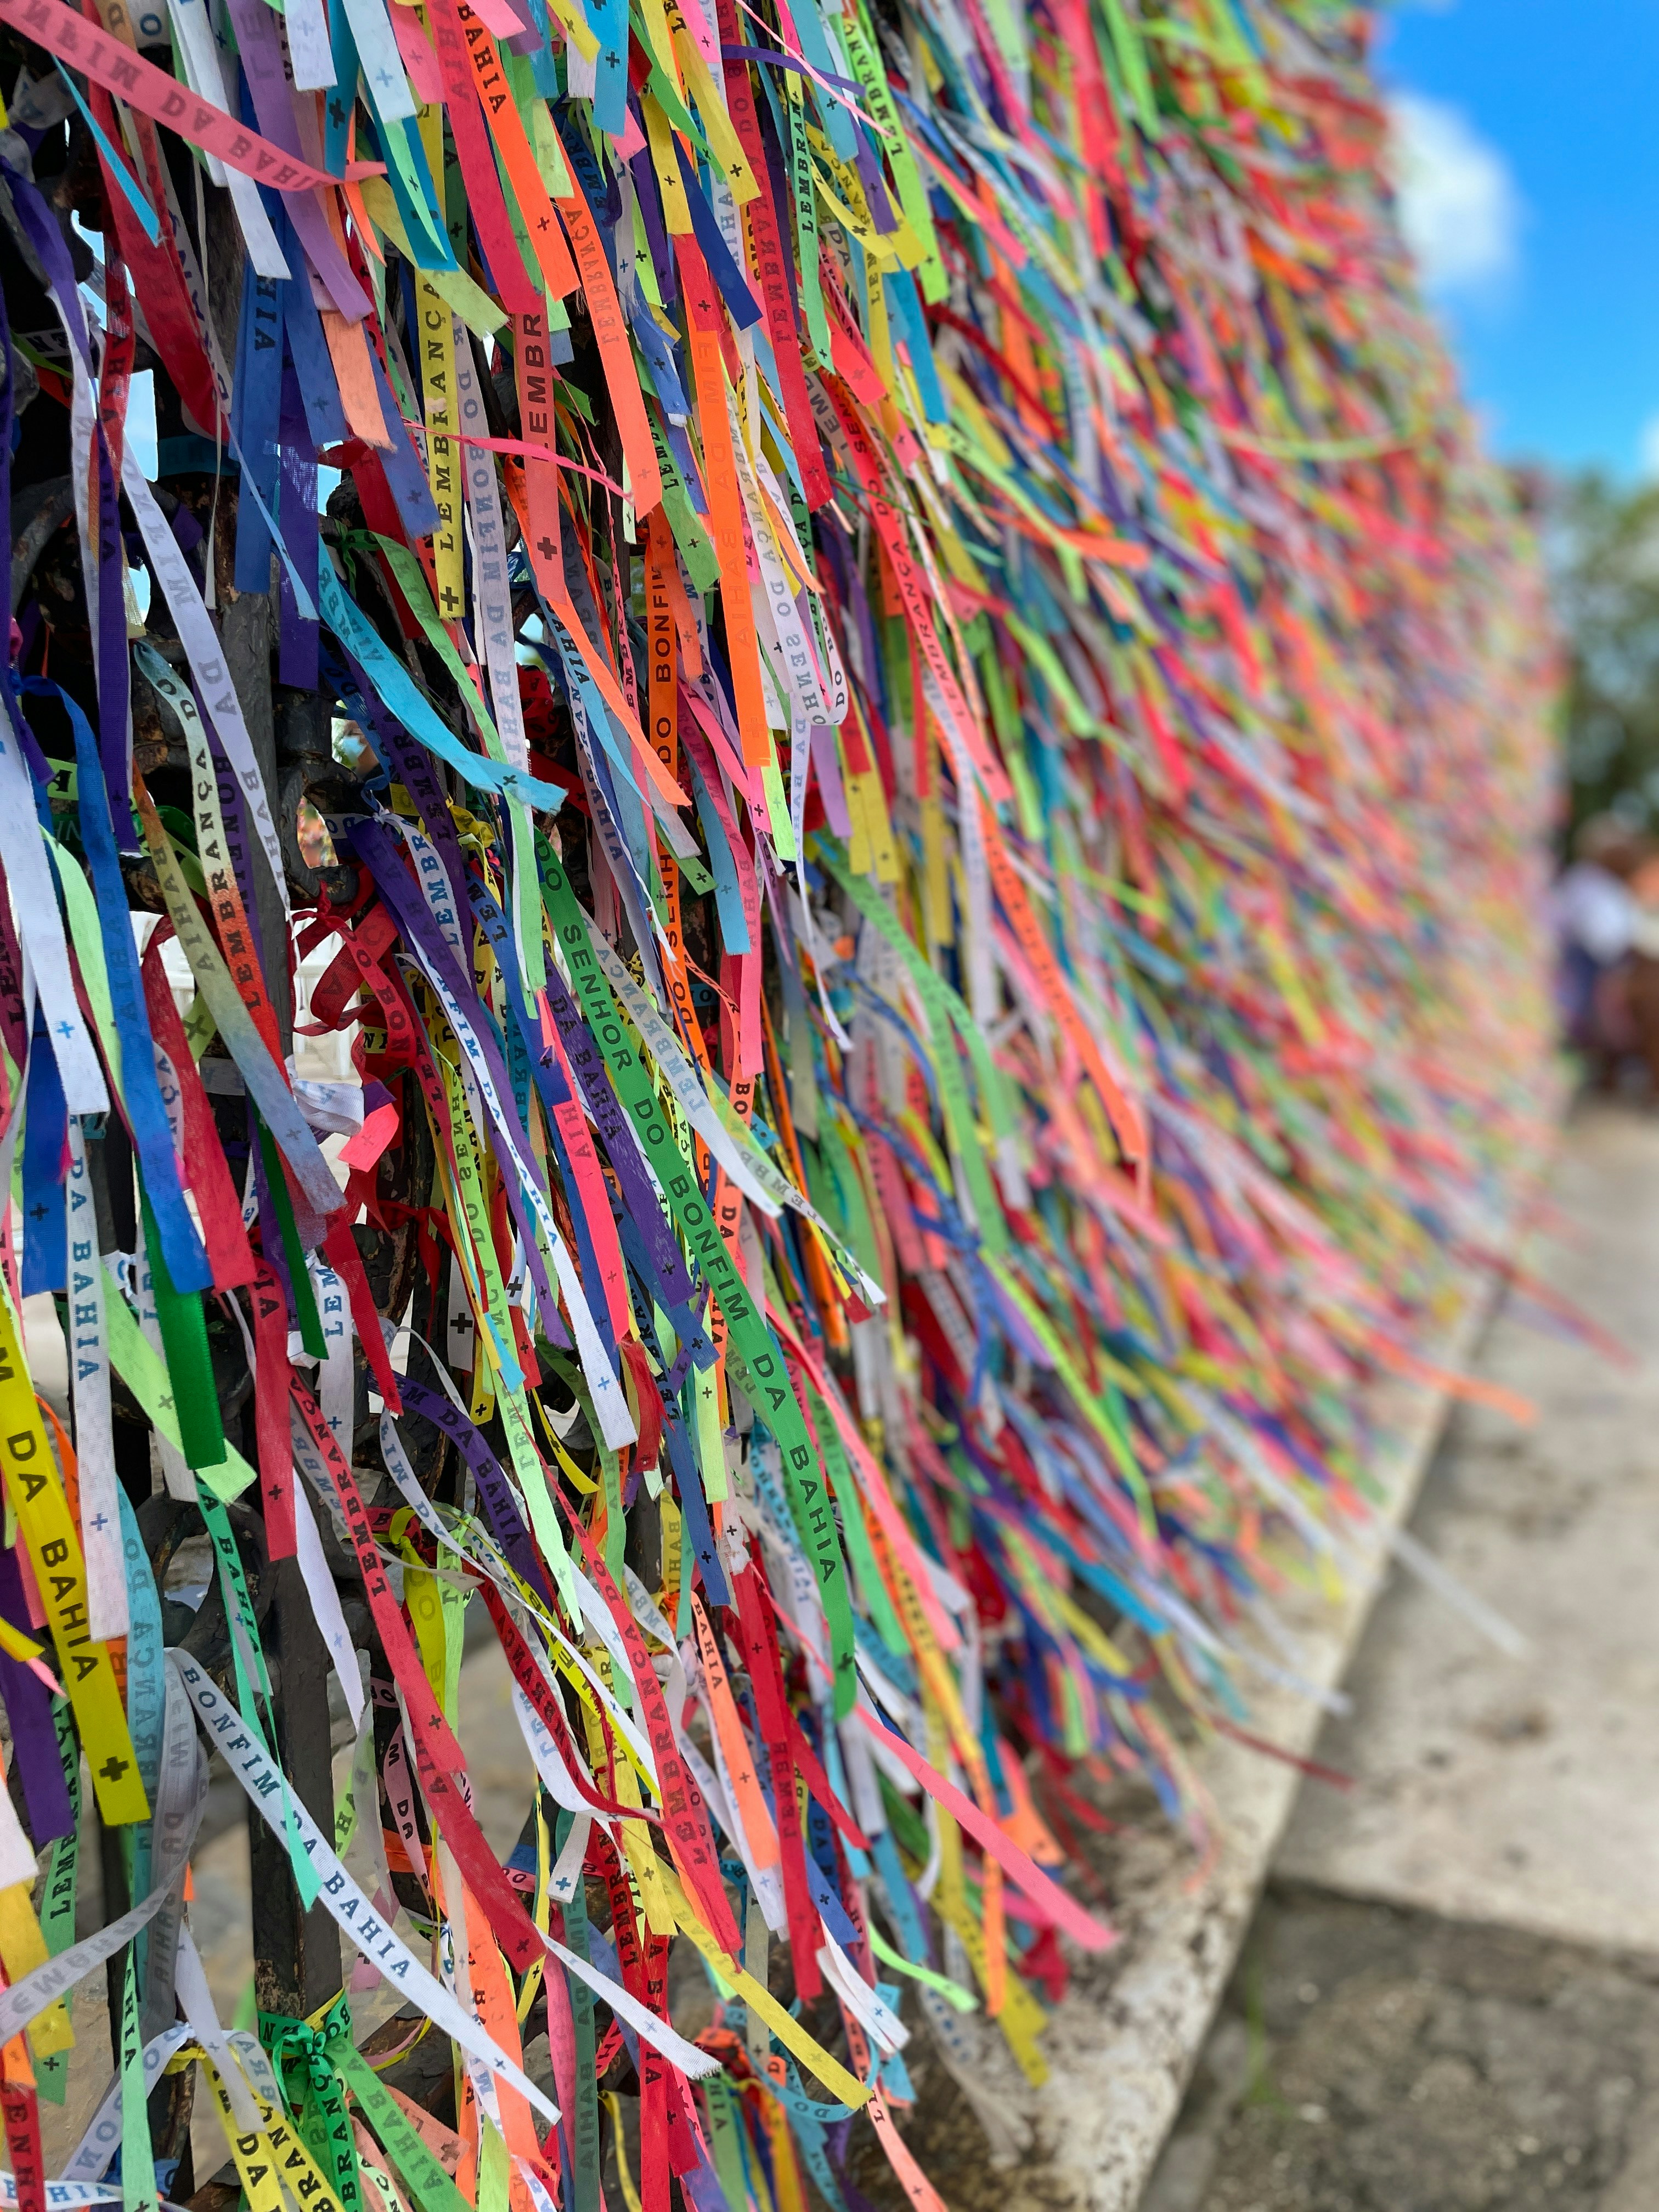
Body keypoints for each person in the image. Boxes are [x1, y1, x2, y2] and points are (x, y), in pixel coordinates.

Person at [1551, 816, 1638, 1075]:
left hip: (1601, 958)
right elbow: (1601, 937)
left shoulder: (1602, 882)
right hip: (1589, 962)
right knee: (1587, 1013)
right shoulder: (1588, 882)